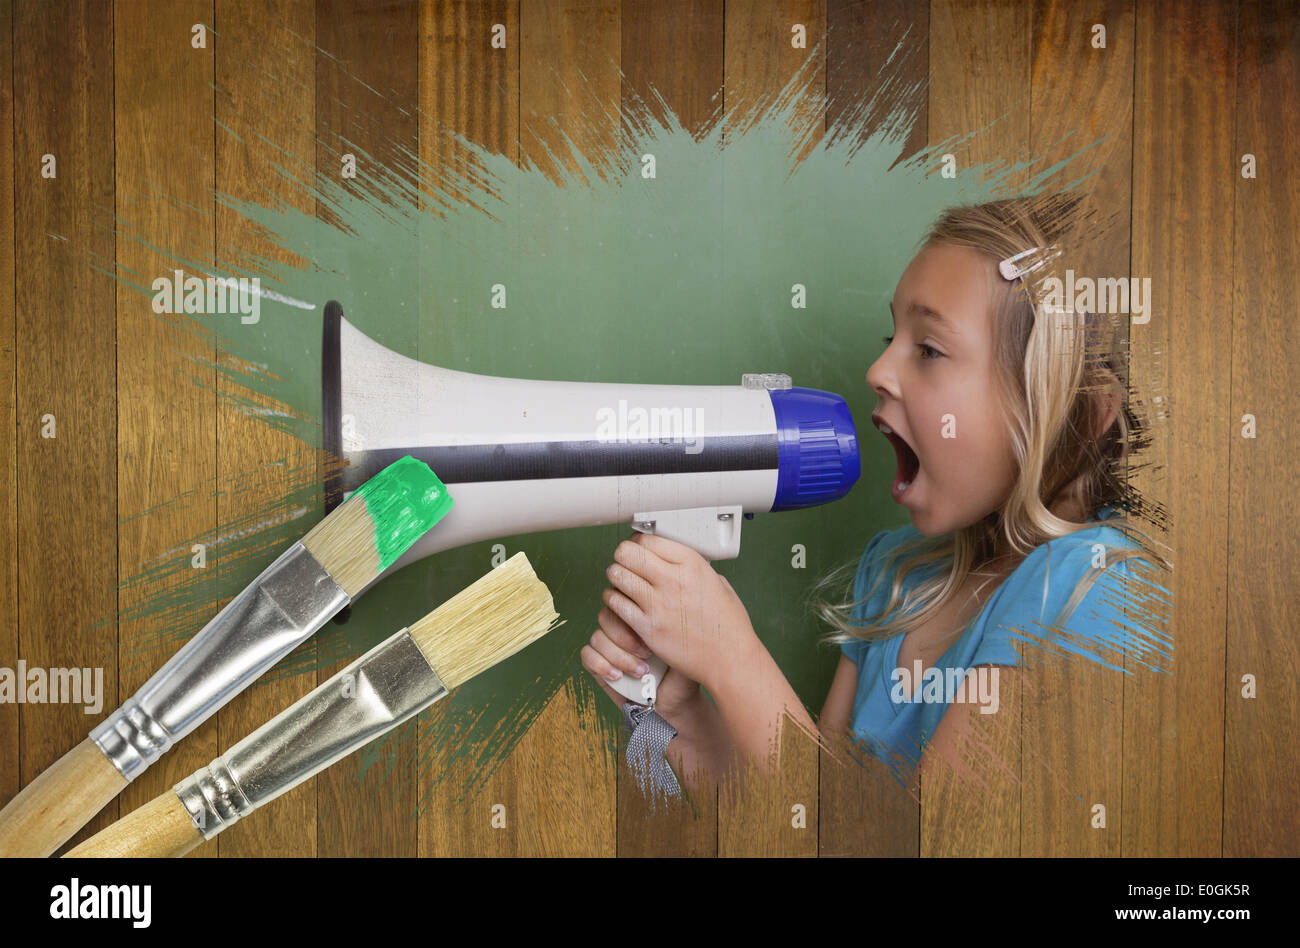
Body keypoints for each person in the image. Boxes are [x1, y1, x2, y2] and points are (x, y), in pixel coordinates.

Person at [580, 194, 1171, 794]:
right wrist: (687, 718)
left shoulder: (1090, 588)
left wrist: (733, 658)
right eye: (892, 337)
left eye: (929, 350)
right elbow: (809, 816)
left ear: (1079, 410)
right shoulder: (896, 574)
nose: (878, 369)